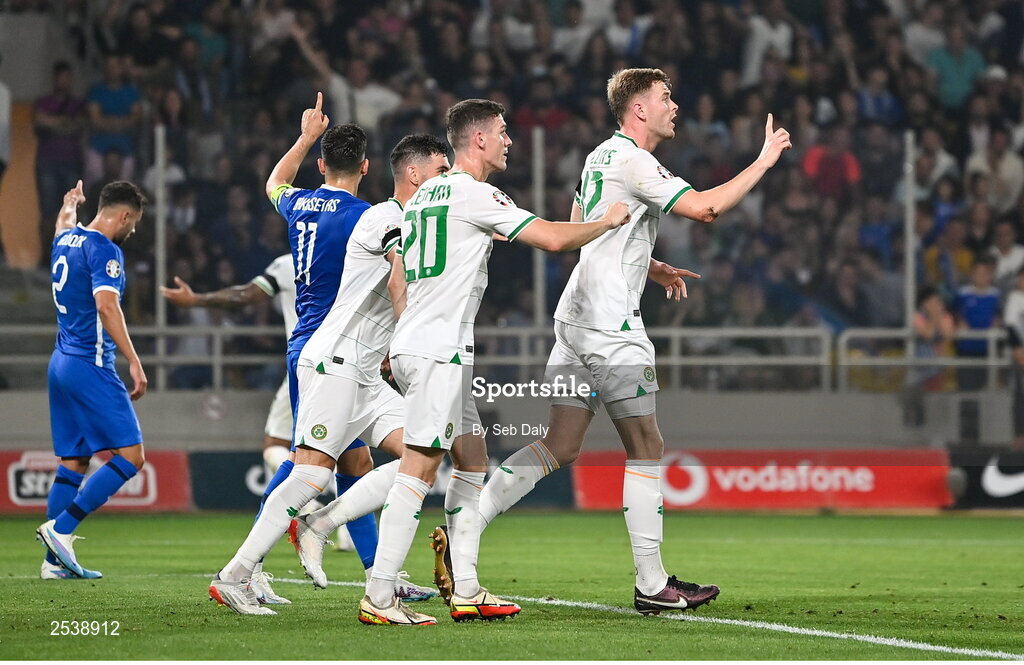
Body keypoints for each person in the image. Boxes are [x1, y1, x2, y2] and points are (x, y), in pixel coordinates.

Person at [476, 67, 790, 615]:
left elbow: (582, 225)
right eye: (665, 97)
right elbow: (706, 209)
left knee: (560, 444)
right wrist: (763, 161)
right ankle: (652, 584)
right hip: (610, 327)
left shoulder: (599, 156)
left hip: (573, 318)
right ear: (638, 109)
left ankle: (463, 529)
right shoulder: (634, 160)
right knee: (647, 447)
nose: (674, 105)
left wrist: (648, 264)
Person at [352, 99, 631, 626]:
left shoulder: (425, 195)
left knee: (474, 459)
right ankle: (380, 593)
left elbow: (401, 277)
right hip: (436, 350)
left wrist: (400, 342)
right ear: (477, 139)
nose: (509, 141)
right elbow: (550, 238)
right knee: (419, 469)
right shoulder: (474, 193)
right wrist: (607, 221)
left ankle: (468, 588)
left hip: (421, 343)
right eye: (502, 132)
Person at [287, 134, 453, 594]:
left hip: (326, 347)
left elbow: (275, 183)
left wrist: (303, 138)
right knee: (307, 467)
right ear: (365, 168)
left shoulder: (298, 203)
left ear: (321, 165)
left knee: (360, 463)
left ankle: (375, 572)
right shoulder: (371, 216)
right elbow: (395, 281)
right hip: (335, 350)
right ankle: (246, 567)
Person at [36, 180, 148, 580]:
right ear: (123, 215)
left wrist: (68, 204)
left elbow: (63, 225)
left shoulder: (66, 240)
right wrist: (133, 360)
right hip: (90, 364)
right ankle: (61, 530)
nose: (132, 230)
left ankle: (53, 565)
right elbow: (106, 304)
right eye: (132, 222)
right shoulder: (105, 250)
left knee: (75, 461)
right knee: (132, 458)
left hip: (59, 362)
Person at [1002, 268, 1024, 448]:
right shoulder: (1015, 298)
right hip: (1021, 357)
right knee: (1020, 396)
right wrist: (1018, 351)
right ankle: (1020, 435)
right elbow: (1010, 327)